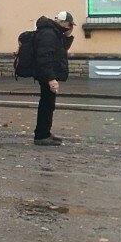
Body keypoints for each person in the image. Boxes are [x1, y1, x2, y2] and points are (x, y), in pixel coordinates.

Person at [33, 11, 75, 145]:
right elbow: (44, 57)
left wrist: (68, 36)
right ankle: (41, 136)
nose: (69, 27)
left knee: (48, 104)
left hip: (48, 74)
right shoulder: (49, 33)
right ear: (62, 22)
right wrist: (51, 79)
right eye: (69, 24)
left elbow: (61, 50)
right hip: (47, 75)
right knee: (46, 105)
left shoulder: (55, 32)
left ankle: (45, 133)